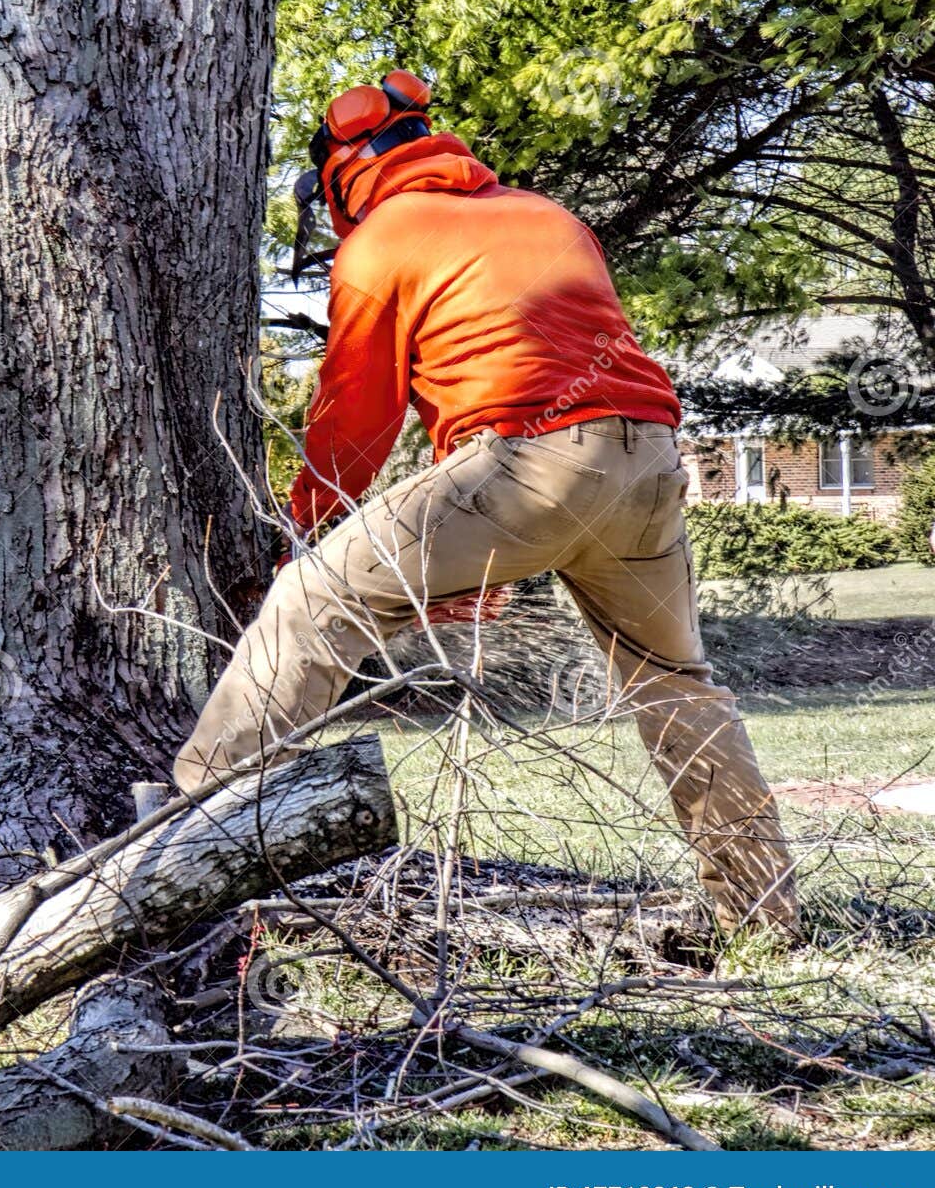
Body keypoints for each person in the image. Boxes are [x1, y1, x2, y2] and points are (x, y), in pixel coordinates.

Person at [173, 70, 799, 936]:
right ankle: (759, 910)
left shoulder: (383, 239)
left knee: (310, 604)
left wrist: (307, 529)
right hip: (649, 460)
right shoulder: (546, 216)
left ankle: (172, 844)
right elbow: (507, 369)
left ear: (345, 176)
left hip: (530, 462)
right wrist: (462, 556)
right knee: (675, 684)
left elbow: (356, 421)